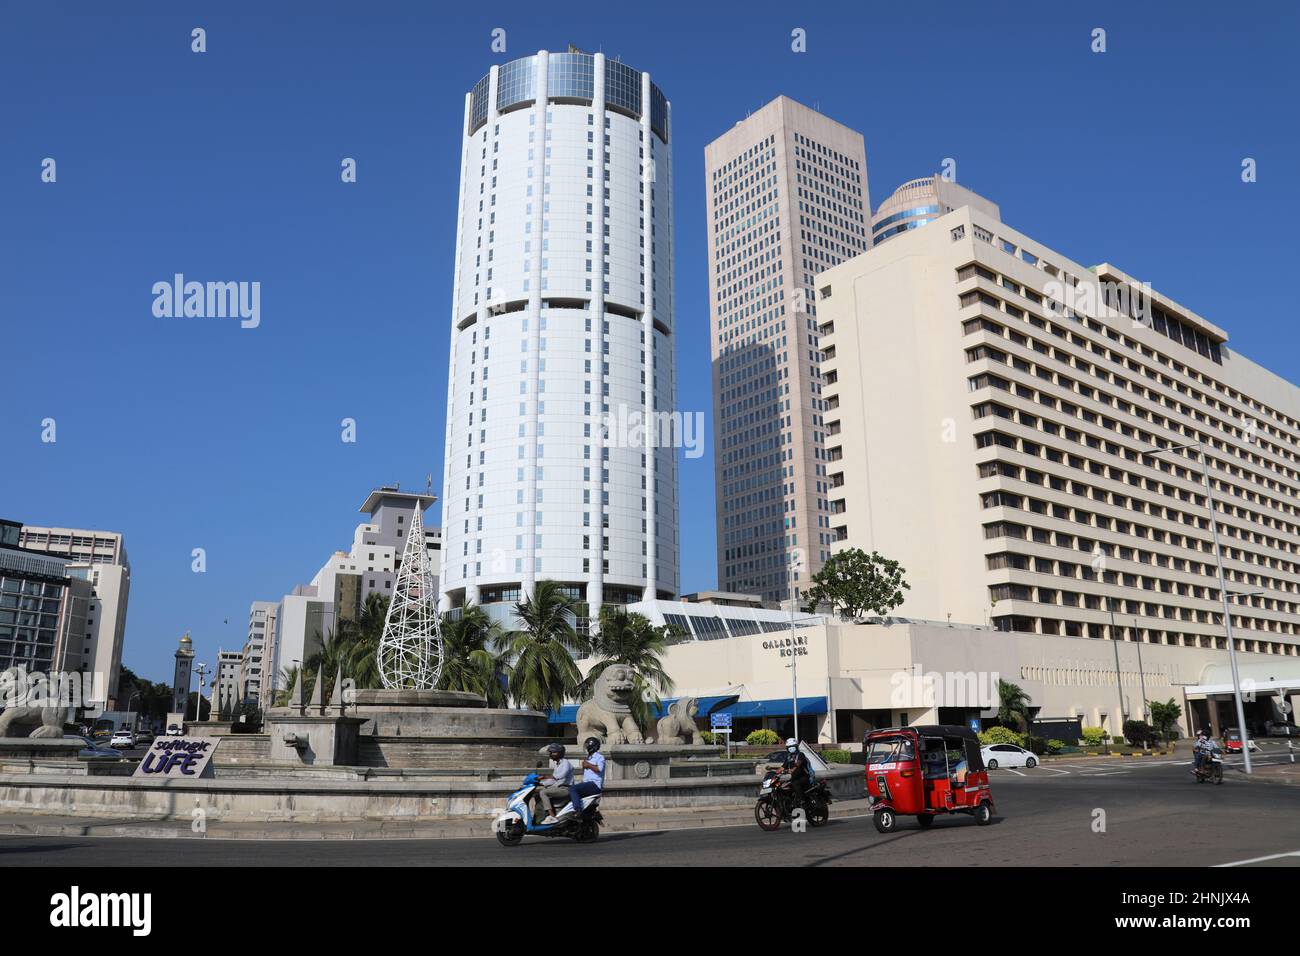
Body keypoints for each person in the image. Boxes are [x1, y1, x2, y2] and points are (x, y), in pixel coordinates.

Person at [566, 736, 605, 822]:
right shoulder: (589, 758)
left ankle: (578, 811)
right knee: (570, 790)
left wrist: (588, 765)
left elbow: (599, 769)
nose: (586, 747)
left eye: (588, 745)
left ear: (592, 746)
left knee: (573, 788)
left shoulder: (599, 757)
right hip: (588, 783)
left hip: (595, 785)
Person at [538, 743, 574, 824]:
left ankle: (552, 816)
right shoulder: (557, 764)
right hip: (559, 788)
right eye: (550, 752)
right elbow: (553, 780)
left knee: (543, 792)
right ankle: (542, 815)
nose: (551, 754)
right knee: (539, 791)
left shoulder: (565, 763)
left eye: (553, 752)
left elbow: (560, 775)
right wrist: (541, 783)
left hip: (566, 789)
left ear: (560, 753)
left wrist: (545, 777)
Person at [780, 737, 811, 812]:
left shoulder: (800, 755)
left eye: (792, 747)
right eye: (789, 747)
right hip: (794, 778)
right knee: (784, 786)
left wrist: (793, 769)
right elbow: (783, 767)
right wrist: (774, 772)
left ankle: (802, 801)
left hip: (804, 777)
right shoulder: (789, 757)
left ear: (796, 747)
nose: (791, 749)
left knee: (795, 783)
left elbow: (799, 763)